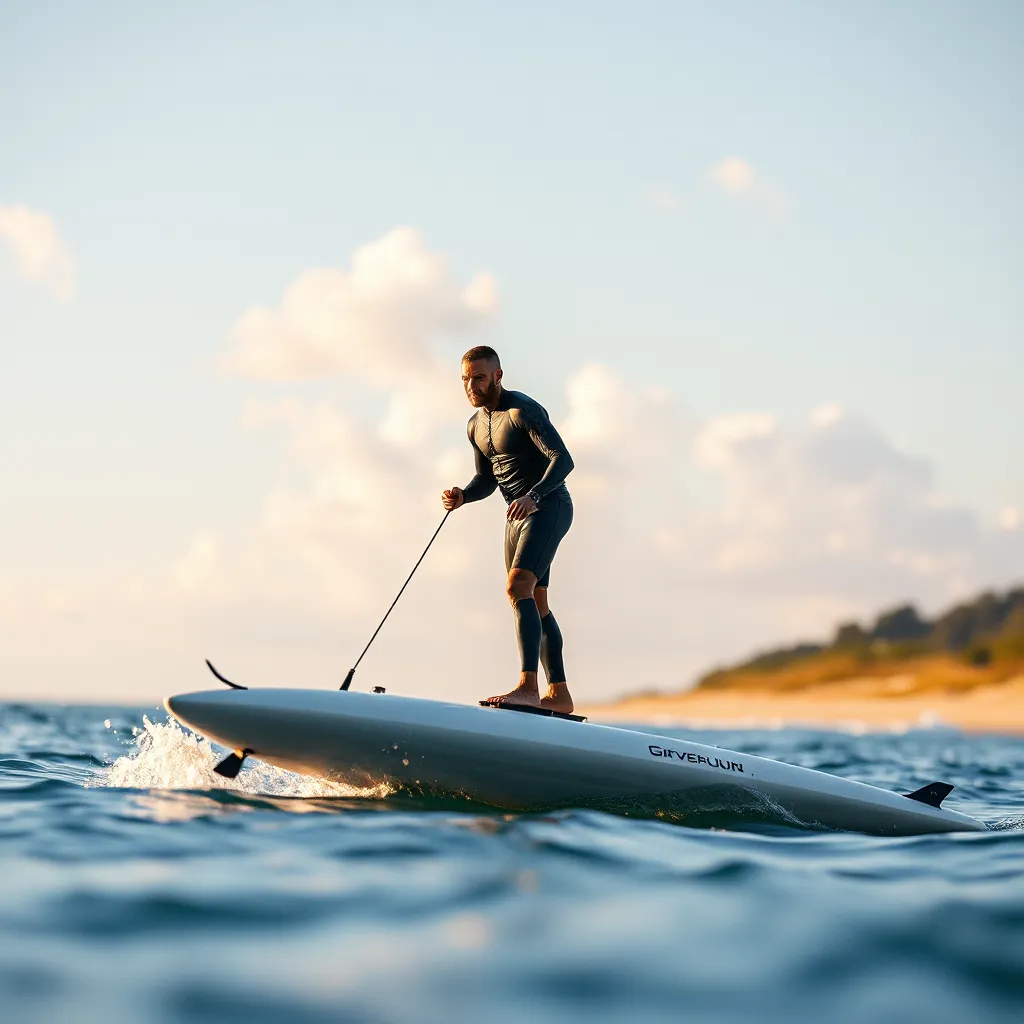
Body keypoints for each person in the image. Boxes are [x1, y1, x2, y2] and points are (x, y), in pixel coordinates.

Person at [442, 346, 576, 712]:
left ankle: (528, 688)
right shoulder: (474, 426)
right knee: (535, 600)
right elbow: (487, 479)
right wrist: (463, 495)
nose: (471, 386)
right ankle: (559, 694)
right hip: (517, 516)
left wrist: (534, 496)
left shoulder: (521, 411)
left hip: (548, 506)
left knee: (518, 587)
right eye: (466, 380)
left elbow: (563, 459)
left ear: (497, 376)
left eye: (479, 378)